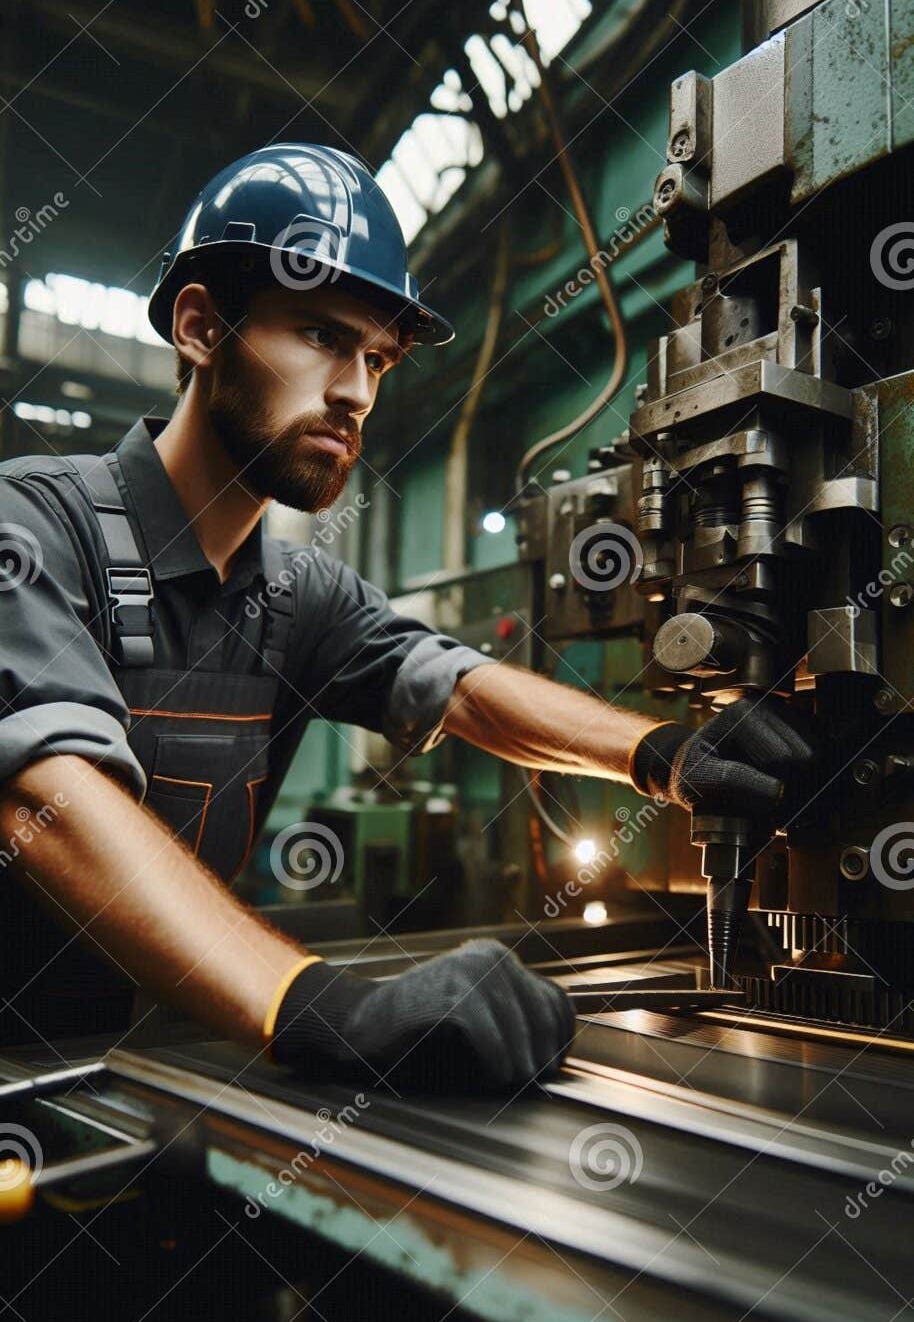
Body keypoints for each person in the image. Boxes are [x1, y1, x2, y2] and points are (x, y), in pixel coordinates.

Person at [0, 145, 813, 1094]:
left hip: (137, 1068)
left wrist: (665, 756)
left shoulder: (297, 593)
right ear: (200, 327)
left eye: (378, 359)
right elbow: (45, 802)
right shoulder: (34, 528)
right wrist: (325, 1007)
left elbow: (456, 686)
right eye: (320, 335)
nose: (356, 392)